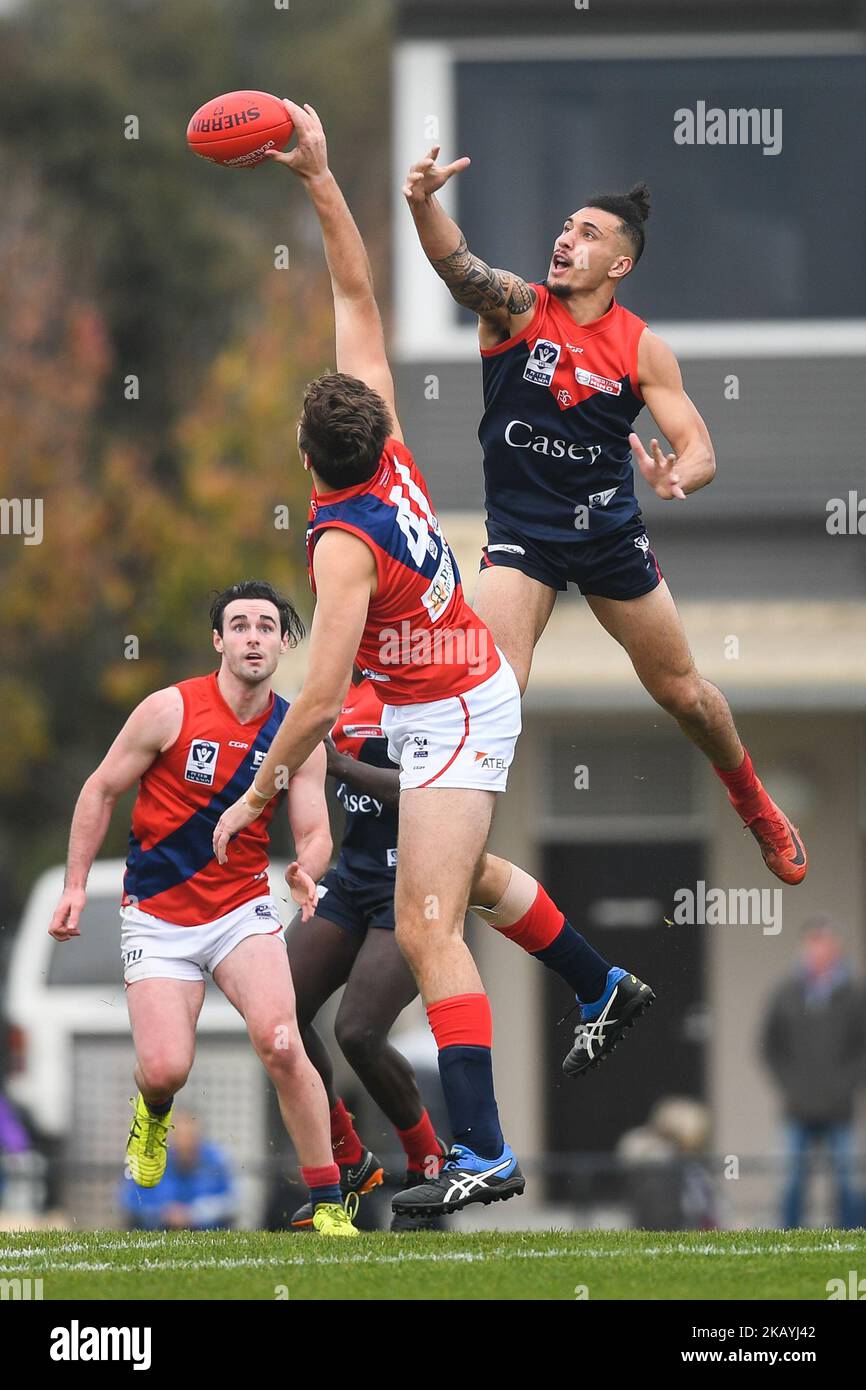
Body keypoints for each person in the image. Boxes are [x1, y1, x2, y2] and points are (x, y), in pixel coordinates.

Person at [212, 103, 654, 1219]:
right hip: (448, 697)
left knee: (424, 924)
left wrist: (254, 798)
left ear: (309, 457)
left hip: (452, 704)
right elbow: (355, 296)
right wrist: (318, 172)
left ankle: (487, 1154)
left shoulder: (342, 546)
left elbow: (318, 696)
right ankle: (598, 977)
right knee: (468, 881)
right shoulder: (386, 439)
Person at [403, 149, 807, 887]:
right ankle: (447, 851)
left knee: (684, 695)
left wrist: (677, 475)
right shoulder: (519, 308)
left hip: (610, 537)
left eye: (587, 233)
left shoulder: (642, 347)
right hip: (523, 538)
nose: (565, 239)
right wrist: (423, 204)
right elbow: (457, 266)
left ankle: (756, 807)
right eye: (564, 227)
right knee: (493, 689)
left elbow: (700, 450)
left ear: (619, 264)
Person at [47, 580, 359, 1237]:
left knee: (281, 1040)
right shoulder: (168, 710)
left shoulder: (296, 728)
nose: (253, 637)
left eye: (267, 627)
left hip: (241, 910)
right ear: (218, 641)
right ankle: (153, 1111)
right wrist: (75, 886)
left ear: (282, 643)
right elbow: (101, 789)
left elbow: (314, 831)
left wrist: (308, 868)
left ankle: (328, 1202)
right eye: (239, 626)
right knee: (166, 1068)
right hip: (158, 917)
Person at [759, 917, 866, 1229]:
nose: (819, 952)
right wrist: (789, 1084)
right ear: (804, 948)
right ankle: (789, 1238)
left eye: (825, 945)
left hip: (839, 1106)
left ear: (836, 949)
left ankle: (853, 1238)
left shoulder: (854, 996)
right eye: (814, 945)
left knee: (846, 1180)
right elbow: (768, 1046)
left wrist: (847, 1083)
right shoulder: (785, 993)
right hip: (797, 1107)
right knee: (792, 1180)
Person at [120, 1109, 236, 1231]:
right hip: (159, 1234)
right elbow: (129, 1201)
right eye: (180, 1136)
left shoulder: (215, 1160)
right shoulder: (151, 1160)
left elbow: (232, 1201)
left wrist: (195, 1214)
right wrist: (163, 1213)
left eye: (190, 1136)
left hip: (205, 1235)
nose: (185, 1143)